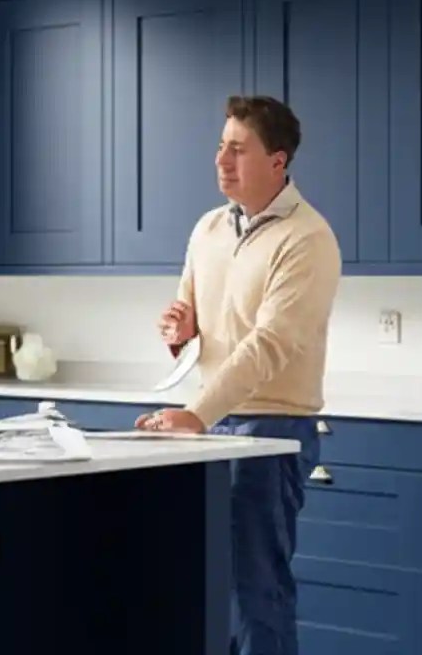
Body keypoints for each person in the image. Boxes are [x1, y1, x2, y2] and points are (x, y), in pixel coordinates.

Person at [138, 94, 340, 655]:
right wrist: (180, 334)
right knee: (204, 592)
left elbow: (269, 344)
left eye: (237, 149)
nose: (222, 160)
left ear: (278, 161)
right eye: (220, 146)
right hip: (210, 425)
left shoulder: (308, 239)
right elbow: (195, 326)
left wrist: (197, 413)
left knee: (256, 594)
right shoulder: (208, 229)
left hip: (269, 434)